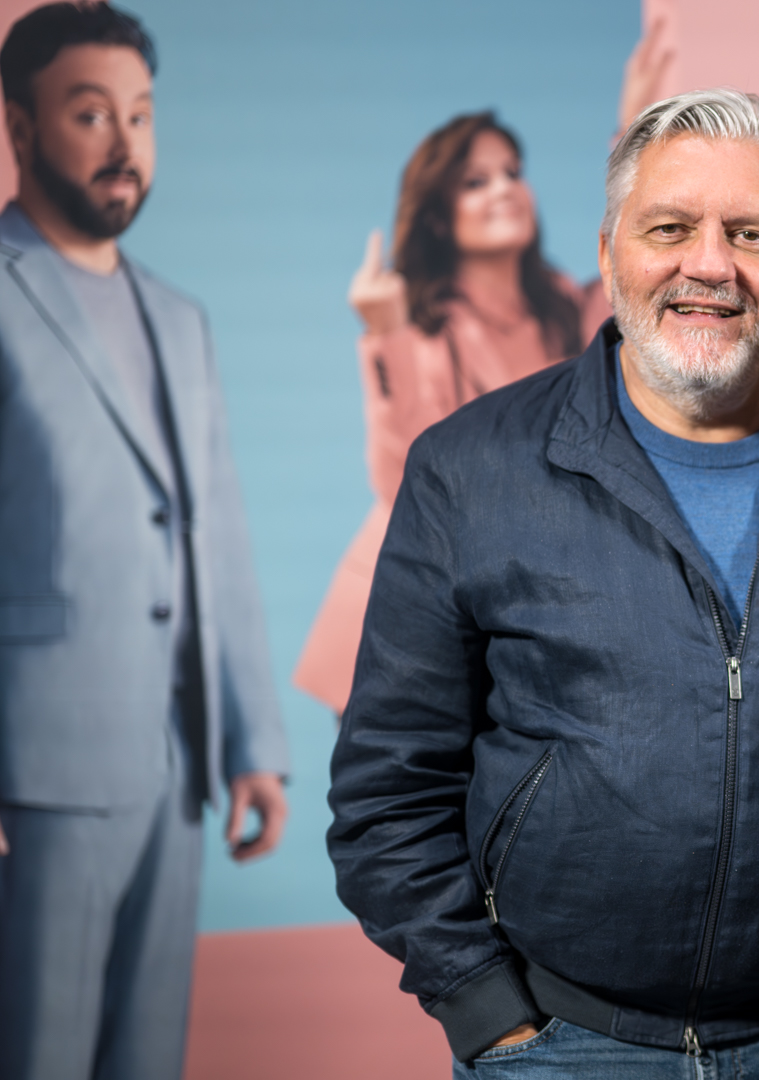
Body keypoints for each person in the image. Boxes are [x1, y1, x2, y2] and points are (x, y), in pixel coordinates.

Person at [327, 88, 759, 1076]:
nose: (710, 265)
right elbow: (387, 793)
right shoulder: (470, 468)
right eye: (670, 228)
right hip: (560, 1045)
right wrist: (489, 1015)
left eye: (752, 234)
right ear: (607, 253)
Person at [0, 4, 290, 1079]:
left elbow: (217, 535)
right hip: (34, 770)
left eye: (139, 114)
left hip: (176, 772)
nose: (124, 143)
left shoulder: (181, 318)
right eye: (90, 113)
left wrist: (252, 740)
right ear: (23, 128)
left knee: (144, 1061)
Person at [293, 111, 611, 715]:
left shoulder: (564, 308)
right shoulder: (426, 329)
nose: (504, 189)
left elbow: (635, 270)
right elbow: (403, 484)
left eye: (512, 172)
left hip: (506, 613)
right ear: (438, 215)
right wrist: (385, 335)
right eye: (475, 181)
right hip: (410, 619)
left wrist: (629, 129)